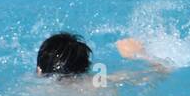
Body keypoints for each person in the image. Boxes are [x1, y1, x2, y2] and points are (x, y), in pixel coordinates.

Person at [36, 32, 173, 85]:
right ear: (87, 66)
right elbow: (164, 70)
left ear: (39, 70)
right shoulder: (100, 82)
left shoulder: (31, 92)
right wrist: (138, 54)